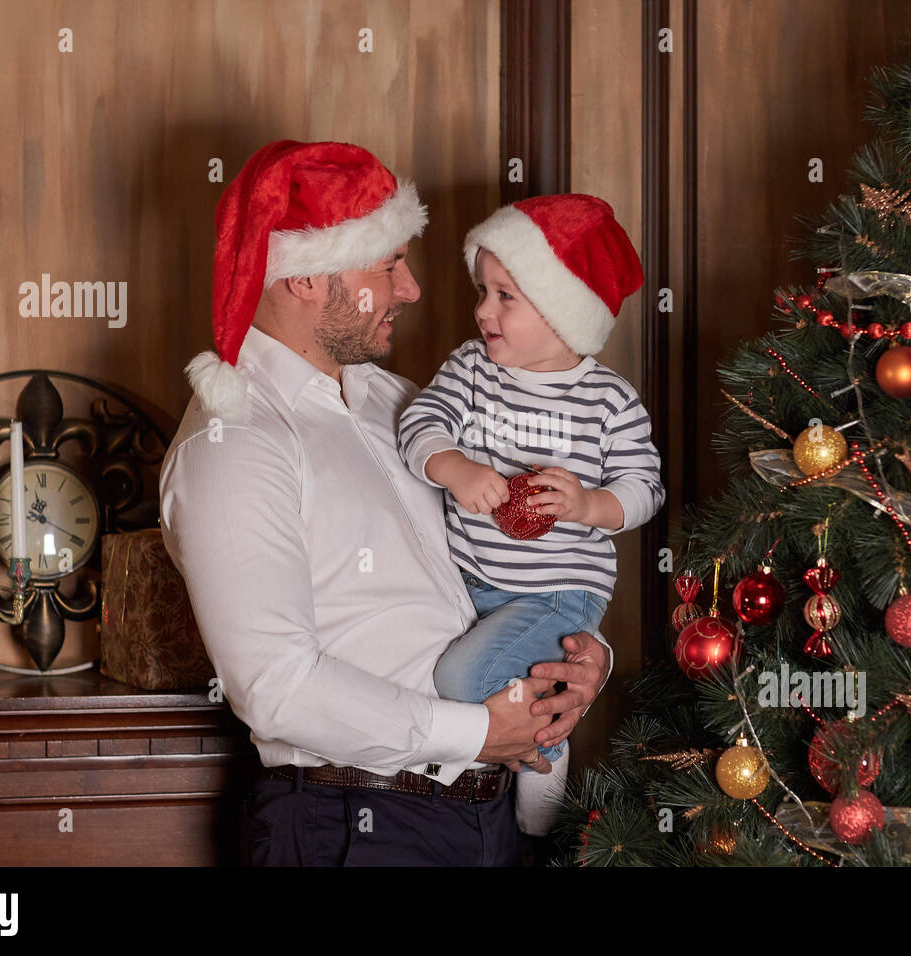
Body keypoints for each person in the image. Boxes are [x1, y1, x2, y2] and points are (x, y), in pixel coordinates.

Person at [158, 141, 611, 867]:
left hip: (486, 821)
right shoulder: (234, 439)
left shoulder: (402, 406)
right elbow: (276, 687)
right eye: (388, 265)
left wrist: (579, 657)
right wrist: (478, 735)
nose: (412, 289)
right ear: (307, 277)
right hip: (355, 826)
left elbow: (512, 569)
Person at [397, 195, 665, 836]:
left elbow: (645, 488)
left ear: (563, 308)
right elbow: (420, 421)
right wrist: (453, 468)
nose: (482, 310)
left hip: (556, 593)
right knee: (431, 667)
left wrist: (590, 504)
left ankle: (542, 751)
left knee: (464, 677)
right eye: (481, 291)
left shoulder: (608, 401)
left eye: (505, 296)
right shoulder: (472, 368)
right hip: (468, 583)